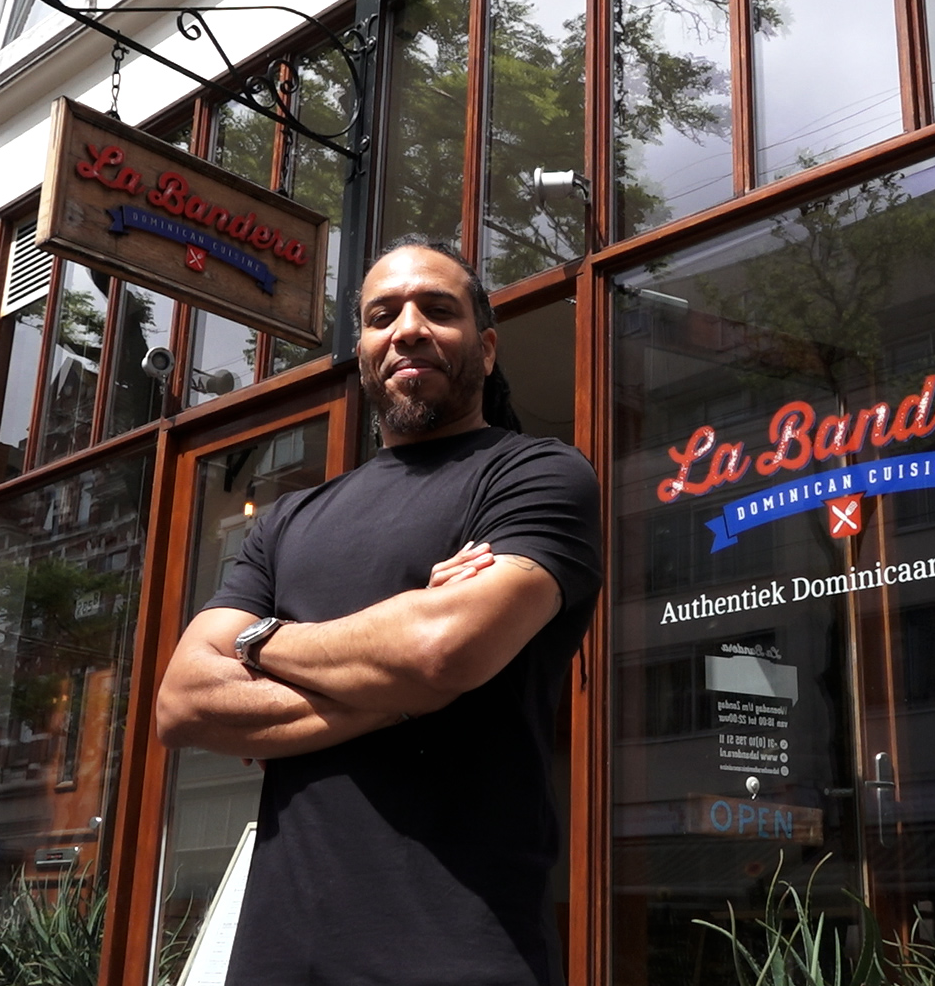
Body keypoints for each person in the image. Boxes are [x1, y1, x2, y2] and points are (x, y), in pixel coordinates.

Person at [155, 238, 601, 986]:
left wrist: (259, 643)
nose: (408, 327)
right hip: (276, 958)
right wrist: (400, 689)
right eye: (382, 314)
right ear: (363, 350)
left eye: (438, 309)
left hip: (461, 953)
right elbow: (183, 701)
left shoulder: (536, 473)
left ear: (486, 349)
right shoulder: (287, 519)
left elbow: (440, 651)